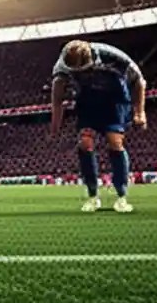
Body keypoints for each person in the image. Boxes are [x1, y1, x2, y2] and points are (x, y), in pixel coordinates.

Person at [50, 40, 147, 213]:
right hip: (88, 101)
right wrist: (55, 126)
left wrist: (140, 112)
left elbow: (139, 82)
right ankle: (92, 195)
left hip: (115, 100)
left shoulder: (114, 57)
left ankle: (121, 196)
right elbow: (57, 98)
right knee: (85, 143)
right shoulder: (61, 67)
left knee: (114, 142)